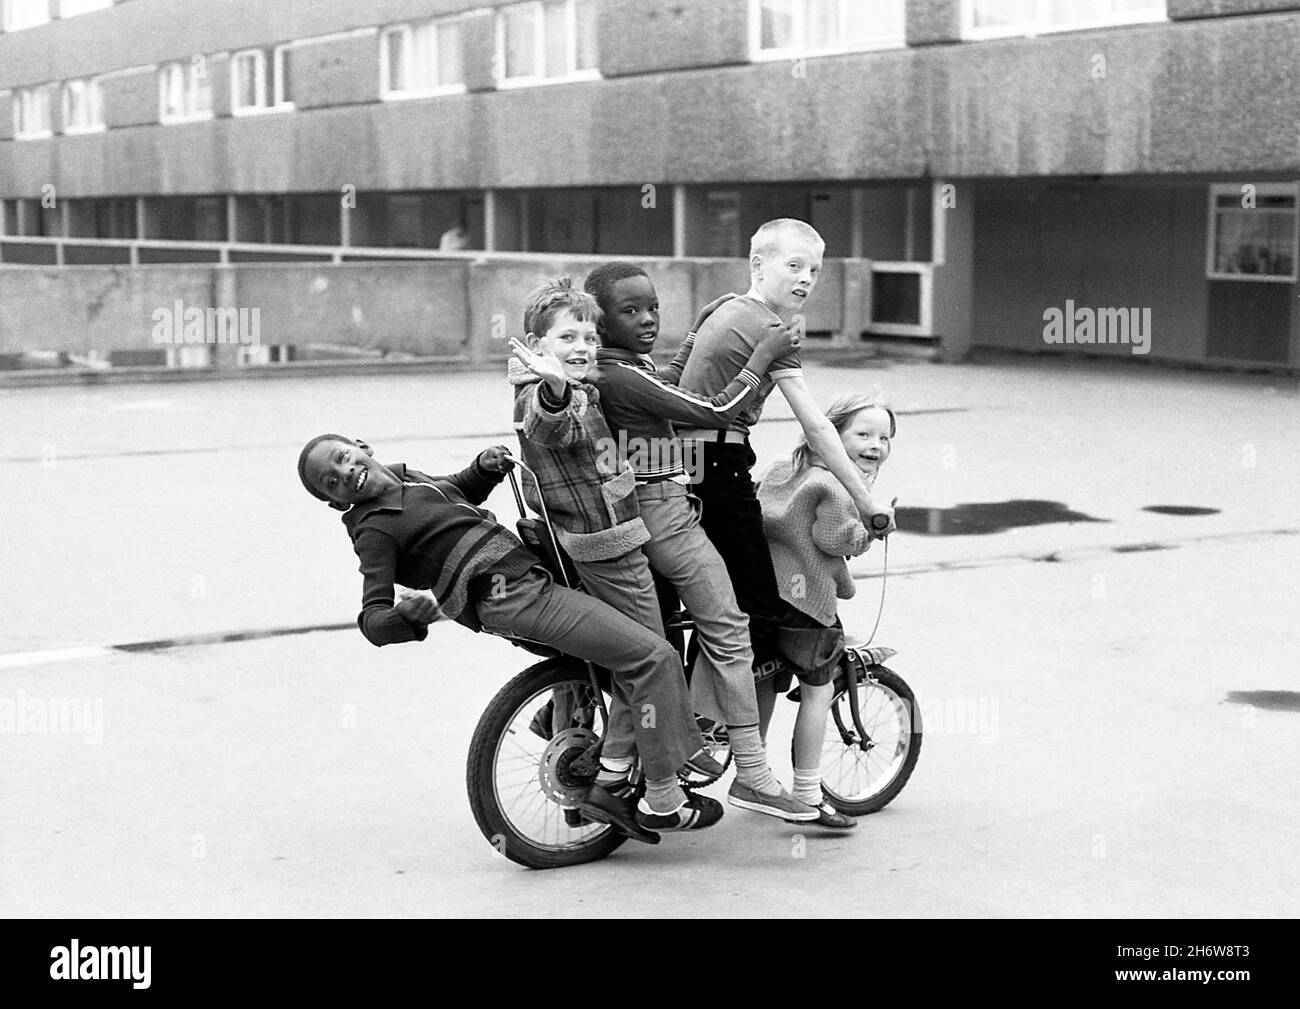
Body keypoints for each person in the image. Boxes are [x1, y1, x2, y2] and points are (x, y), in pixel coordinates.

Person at [296, 433, 719, 843]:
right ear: (336, 501)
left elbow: (457, 494)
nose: (344, 472)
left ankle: (577, 762)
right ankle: (647, 792)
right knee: (653, 657)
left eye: (340, 457)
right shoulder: (374, 531)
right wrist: (404, 616)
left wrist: (483, 469)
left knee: (613, 659)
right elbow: (372, 619)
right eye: (331, 481)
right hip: (517, 598)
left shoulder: (408, 478)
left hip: (528, 581)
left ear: (361, 447)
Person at [583, 261, 817, 822]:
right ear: (599, 320)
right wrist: (760, 359)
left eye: (653, 307)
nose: (647, 319)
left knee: (654, 644)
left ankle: (623, 768)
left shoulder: (613, 370)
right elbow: (711, 410)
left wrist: (700, 326)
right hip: (664, 515)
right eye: (630, 310)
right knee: (730, 629)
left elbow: (664, 387)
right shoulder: (621, 377)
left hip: (648, 499)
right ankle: (754, 775)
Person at [507, 277, 725, 833]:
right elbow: (554, 424)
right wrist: (556, 388)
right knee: (649, 658)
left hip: (596, 537)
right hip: (612, 545)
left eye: (588, 335)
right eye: (565, 337)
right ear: (536, 344)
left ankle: (631, 761)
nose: (581, 347)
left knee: (638, 655)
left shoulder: (570, 382)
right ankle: (651, 785)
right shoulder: (546, 392)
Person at [676, 218, 896, 731]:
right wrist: (866, 502)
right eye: (793, 265)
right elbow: (818, 428)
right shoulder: (768, 331)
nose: (806, 279)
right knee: (757, 605)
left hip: (678, 465)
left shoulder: (725, 308)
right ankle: (716, 730)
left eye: (815, 270)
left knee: (710, 598)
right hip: (717, 466)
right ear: (758, 264)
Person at [757, 394, 896, 829]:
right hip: (806, 604)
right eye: (864, 434)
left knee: (764, 680)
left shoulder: (785, 467)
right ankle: (808, 794)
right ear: (832, 434)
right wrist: (872, 525)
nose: (876, 444)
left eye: (885, 438)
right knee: (817, 692)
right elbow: (837, 540)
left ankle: (755, 775)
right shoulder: (836, 485)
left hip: (760, 595)